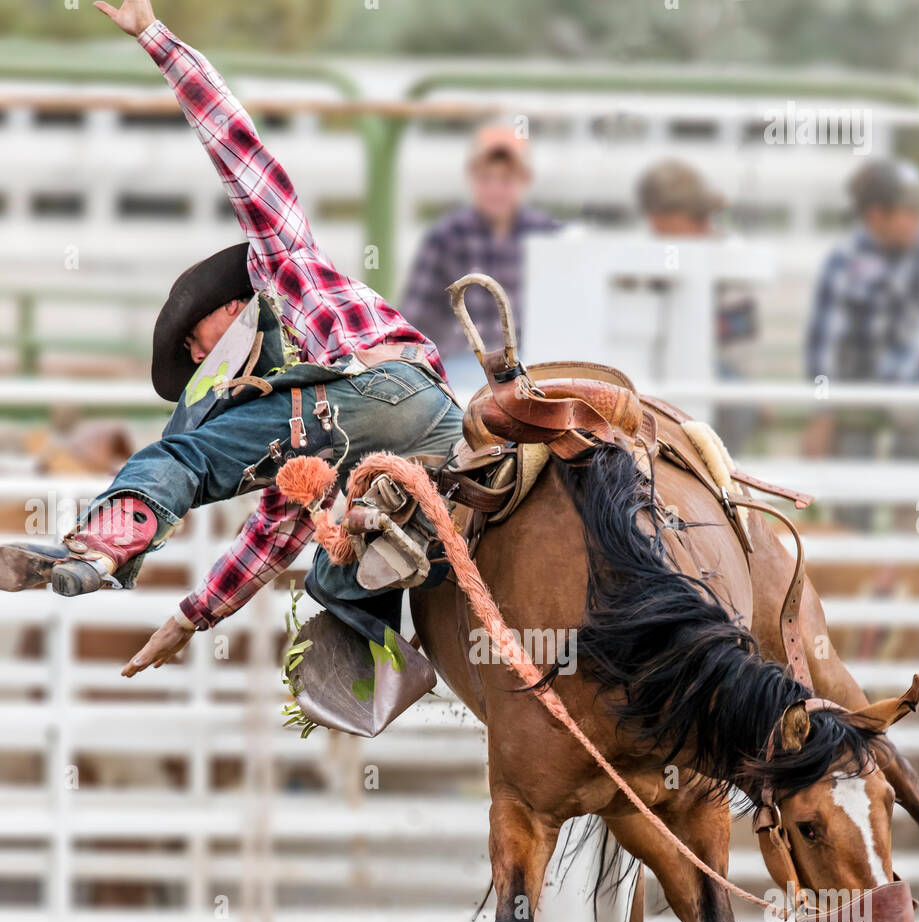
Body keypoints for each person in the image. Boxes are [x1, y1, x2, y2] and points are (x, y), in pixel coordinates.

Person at [0, 0, 463, 701]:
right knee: (329, 570)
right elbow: (270, 538)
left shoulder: (287, 268)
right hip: (430, 432)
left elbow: (234, 143)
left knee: (182, 450)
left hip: (367, 394)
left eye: (196, 342)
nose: (200, 361)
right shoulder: (289, 429)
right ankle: (393, 629)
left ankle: (102, 545)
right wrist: (193, 617)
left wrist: (154, 38)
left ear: (229, 307)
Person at [803, 158, 919, 468]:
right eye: (911, 213)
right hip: (852, 394)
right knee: (851, 462)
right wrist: (825, 410)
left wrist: (895, 379)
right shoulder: (844, 261)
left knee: (915, 416)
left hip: (911, 388)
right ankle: (854, 514)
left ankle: (910, 512)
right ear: (877, 215)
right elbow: (825, 347)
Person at [400, 125, 560, 402]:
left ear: (525, 180)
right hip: (466, 363)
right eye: (487, 178)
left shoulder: (550, 236)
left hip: (538, 364)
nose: (496, 188)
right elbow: (418, 319)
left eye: (506, 179)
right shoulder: (445, 237)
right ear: (472, 178)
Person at [637, 159, 758, 454]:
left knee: (733, 398)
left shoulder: (726, 256)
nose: (706, 225)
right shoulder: (635, 266)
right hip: (646, 374)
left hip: (714, 375)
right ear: (658, 219)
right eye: (695, 216)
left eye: (706, 216)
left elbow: (737, 340)